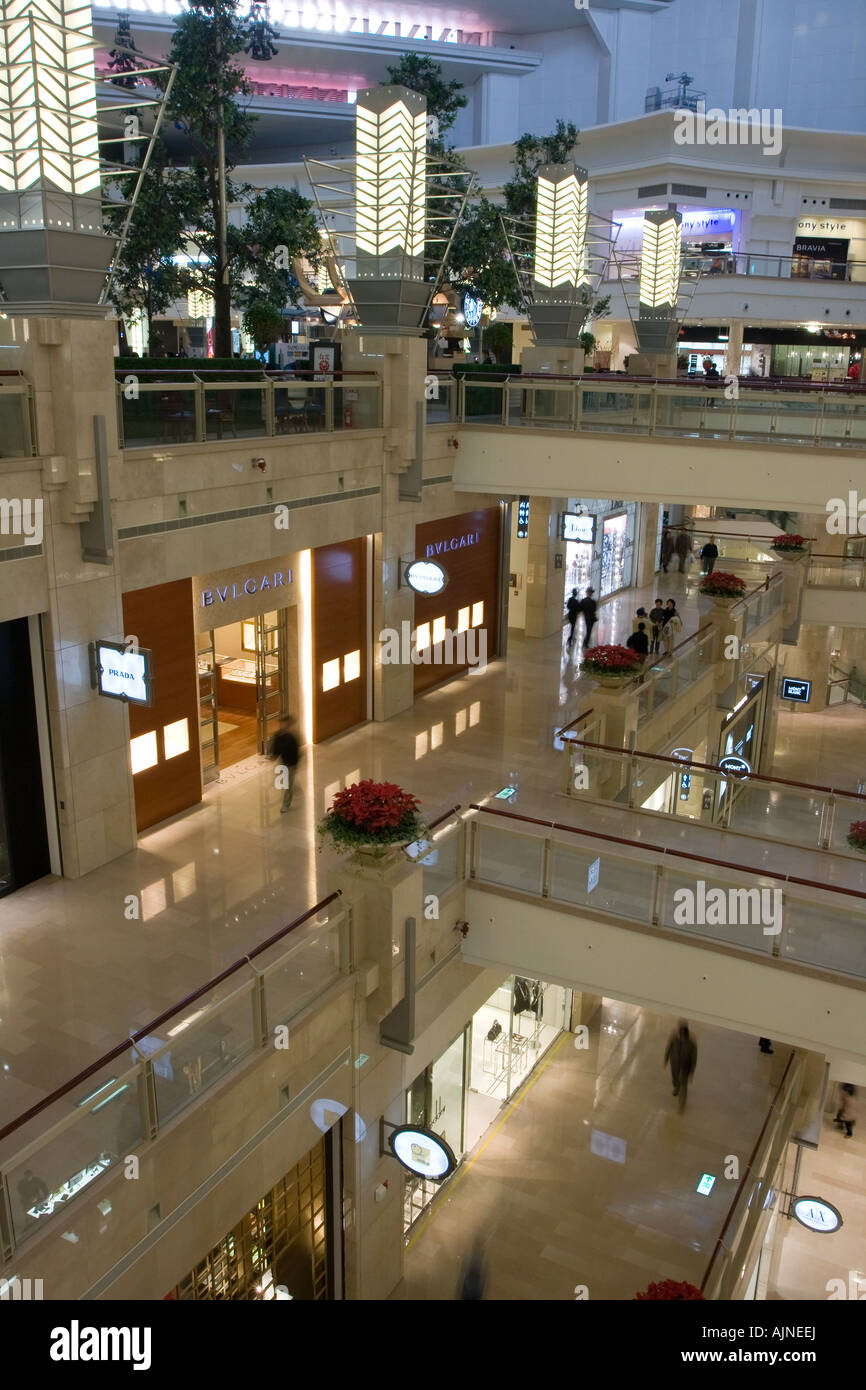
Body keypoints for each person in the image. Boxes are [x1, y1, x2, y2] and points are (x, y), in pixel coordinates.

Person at [269, 715, 300, 812]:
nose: (283, 725)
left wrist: (295, 765)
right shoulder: (277, 735)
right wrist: (273, 757)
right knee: (283, 784)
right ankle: (287, 797)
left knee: (288, 786)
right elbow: (275, 748)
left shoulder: (291, 737)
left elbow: (296, 752)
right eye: (282, 723)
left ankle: (286, 804)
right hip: (282, 763)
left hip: (291, 764)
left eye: (285, 723)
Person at [664, 1021, 697, 1109]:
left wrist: (692, 1069)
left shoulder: (691, 1043)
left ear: (686, 1034)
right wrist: (666, 1059)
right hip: (674, 1064)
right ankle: (676, 1088)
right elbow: (669, 1047)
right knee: (675, 1079)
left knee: (684, 1085)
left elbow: (694, 1057)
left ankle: (682, 1103)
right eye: (679, 1033)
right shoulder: (673, 1037)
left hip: (685, 1067)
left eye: (682, 1035)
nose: (680, 1036)